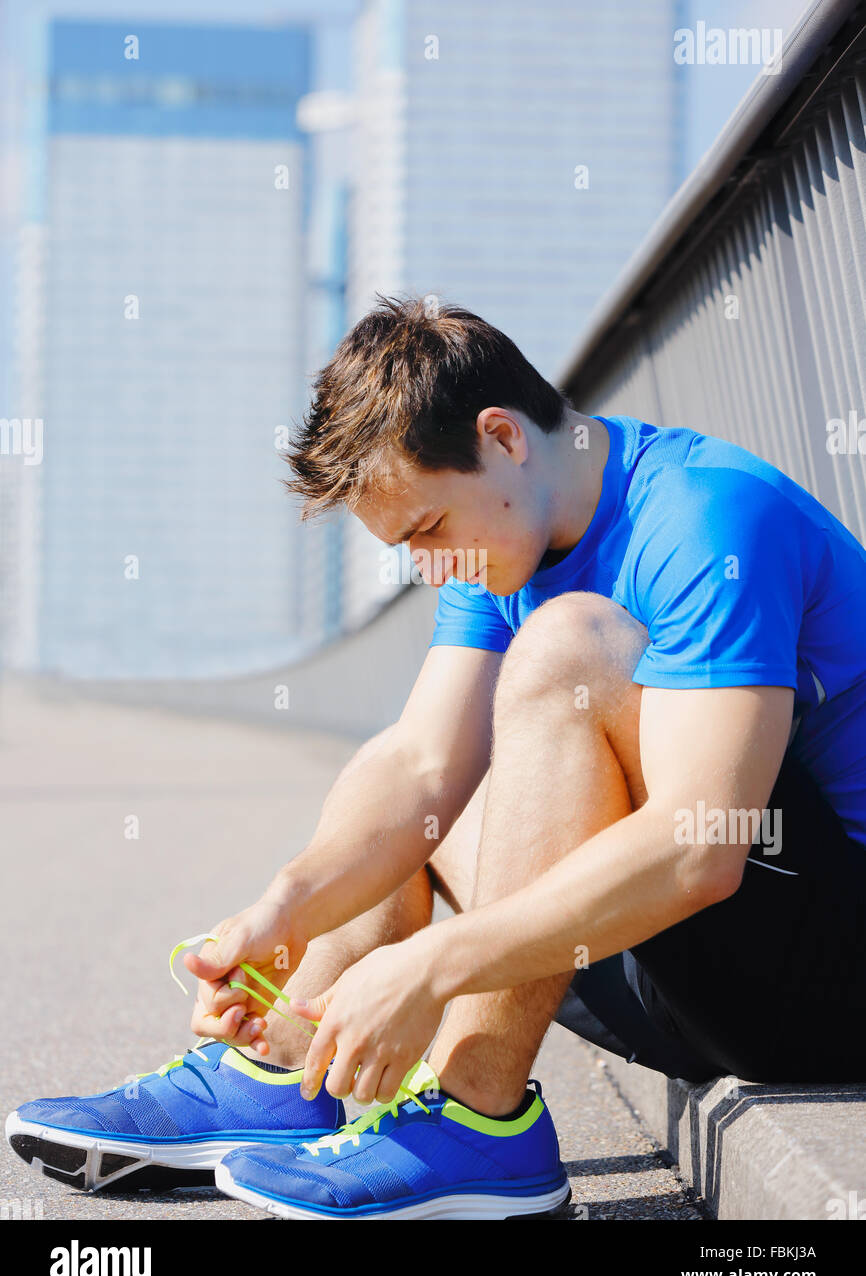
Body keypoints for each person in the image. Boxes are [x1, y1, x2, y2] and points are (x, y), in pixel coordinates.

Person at [9, 295, 866, 1220]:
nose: (429, 567)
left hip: (830, 992)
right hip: (689, 976)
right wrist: (283, 912)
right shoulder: (503, 545)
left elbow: (702, 849)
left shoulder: (707, 518)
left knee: (568, 643)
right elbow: (421, 765)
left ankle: (477, 1116)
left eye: (425, 530)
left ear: (502, 437)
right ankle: (285, 1070)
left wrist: (433, 965)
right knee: (433, 793)